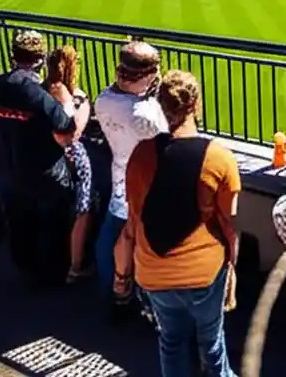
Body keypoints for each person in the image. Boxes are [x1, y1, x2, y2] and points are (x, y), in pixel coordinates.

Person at [116, 70, 241, 377]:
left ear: (161, 105)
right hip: (204, 272)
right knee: (211, 344)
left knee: (171, 342)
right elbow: (228, 223)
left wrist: (122, 276)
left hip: (153, 272)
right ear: (196, 106)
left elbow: (133, 221)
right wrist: (232, 267)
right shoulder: (219, 158)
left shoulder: (141, 155)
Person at [0, 30, 83, 287]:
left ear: (13, 55)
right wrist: (75, 104)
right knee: (53, 222)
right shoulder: (37, 94)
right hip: (42, 171)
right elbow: (66, 129)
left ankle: (26, 269)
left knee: (18, 222)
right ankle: (52, 273)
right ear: (40, 58)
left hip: (5, 166)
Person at [94, 40, 168, 304]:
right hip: (145, 186)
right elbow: (168, 148)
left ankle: (109, 289)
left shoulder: (103, 100)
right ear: (149, 75)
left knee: (111, 236)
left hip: (120, 177)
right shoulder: (147, 114)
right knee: (143, 244)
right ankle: (144, 298)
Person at [44, 45, 95, 282]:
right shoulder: (76, 96)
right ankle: (75, 265)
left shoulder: (39, 92)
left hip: (46, 156)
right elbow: (74, 132)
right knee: (81, 210)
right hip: (72, 156)